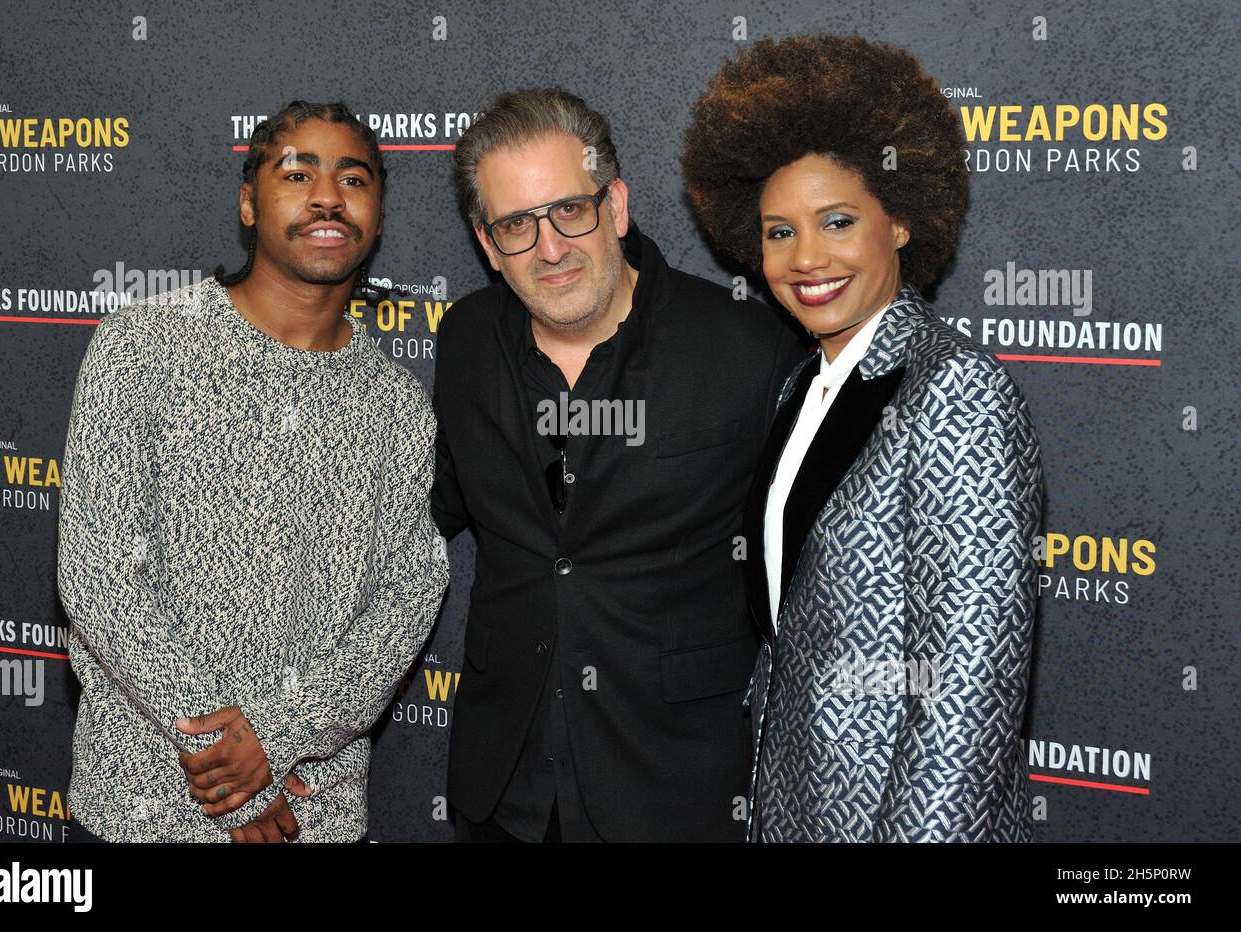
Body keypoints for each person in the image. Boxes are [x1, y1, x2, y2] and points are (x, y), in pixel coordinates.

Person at [682, 34, 1044, 842]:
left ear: (903, 222)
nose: (806, 258)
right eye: (779, 232)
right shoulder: (799, 384)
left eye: (837, 221)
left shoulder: (954, 389)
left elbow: (969, 691)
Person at [57, 100, 449, 843]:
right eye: (297, 172)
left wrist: (275, 736)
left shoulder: (396, 403)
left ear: (378, 213)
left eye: (355, 179)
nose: (328, 196)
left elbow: (408, 595)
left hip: (311, 812)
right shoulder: (142, 347)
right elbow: (99, 577)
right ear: (249, 203)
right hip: (142, 809)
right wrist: (228, 766)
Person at [433, 87, 804, 842]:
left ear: (618, 206)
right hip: (504, 790)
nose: (549, 247)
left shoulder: (746, 350)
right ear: (484, 241)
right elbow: (418, 522)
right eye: (515, 225)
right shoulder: (467, 340)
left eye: (571, 209)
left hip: (670, 791)